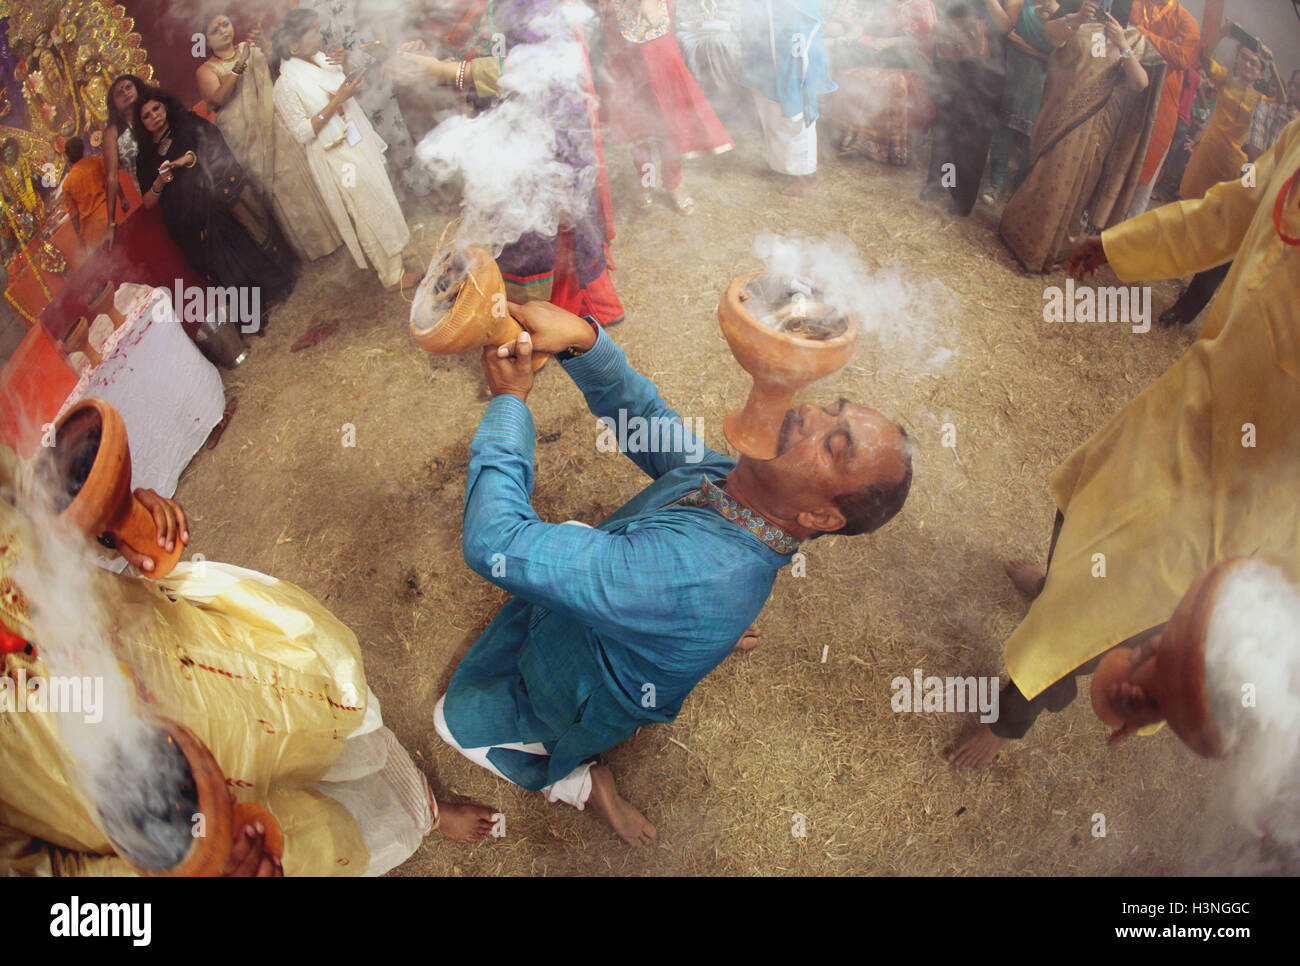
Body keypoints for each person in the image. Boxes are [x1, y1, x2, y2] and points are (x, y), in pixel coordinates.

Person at [435, 301, 913, 844]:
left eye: (834, 445)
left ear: (821, 517)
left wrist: (509, 402)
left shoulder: (692, 575)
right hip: (624, 616)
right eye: (830, 407)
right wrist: (583, 343)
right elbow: (648, 426)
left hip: (577, 683)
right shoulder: (737, 485)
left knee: (452, 723)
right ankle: (692, 640)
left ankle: (583, 782)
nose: (807, 415)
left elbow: (495, 542)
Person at [949, 115, 1300, 766]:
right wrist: (1122, 245)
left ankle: (1006, 725)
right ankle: (1053, 582)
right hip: (1198, 401)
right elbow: (1233, 209)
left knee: (1099, 610)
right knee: (1083, 499)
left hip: (1256, 485)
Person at [0, 438, 498, 876]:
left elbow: (31, 497)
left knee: (330, 727)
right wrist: (186, 866)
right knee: (313, 836)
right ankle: (417, 822)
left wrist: (108, 519)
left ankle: (423, 805)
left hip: (194, 659)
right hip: (165, 820)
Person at [394, 0, 625, 325]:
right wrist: (431, 62)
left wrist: (443, 70)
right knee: (518, 225)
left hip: (544, 131)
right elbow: (488, 49)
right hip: (506, 126)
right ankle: (538, 312)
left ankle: (554, 314)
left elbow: (541, 67)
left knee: (540, 227)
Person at [998, 3, 1161, 272]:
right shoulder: (1078, 9)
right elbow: (1049, 36)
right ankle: (1021, 240)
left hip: (1095, 128)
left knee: (1076, 186)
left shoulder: (1133, 36)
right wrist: (1075, 19)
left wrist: (1122, 45)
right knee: (1046, 176)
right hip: (1060, 115)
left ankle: (1051, 253)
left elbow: (1140, 83)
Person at [271, 9, 420, 293]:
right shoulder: (285, 85)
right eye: (312, 31)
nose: (320, 35)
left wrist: (346, 64)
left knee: (381, 194)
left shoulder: (321, 59)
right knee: (366, 208)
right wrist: (337, 100)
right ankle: (392, 275)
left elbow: (350, 84)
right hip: (336, 153)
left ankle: (399, 247)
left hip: (357, 136)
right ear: (292, 45)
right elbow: (302, 132)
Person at [1160, 3, 1283, 327]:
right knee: (1186, 206)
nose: (1247, 65)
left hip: (1234, 163)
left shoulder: (1262, 100)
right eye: (1244, 59)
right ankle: (1170, 259)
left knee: (1214, 219)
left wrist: (1272, 66)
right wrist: (1223, 35)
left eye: (1253, 64)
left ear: (1259, 72)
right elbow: (1201, 58)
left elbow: (1283, 103)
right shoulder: (1226, 78)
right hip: (1206, 152)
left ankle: (1192, 272)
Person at [133, 86, 298, 326]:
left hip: (214, 202)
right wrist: (160, 181)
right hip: (186, 224)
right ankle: (252, 317)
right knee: (218, 268)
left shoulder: (186, 124)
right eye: (146, 116)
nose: (154, 116)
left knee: (240, 250)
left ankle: (274, 292)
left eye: (156, 108)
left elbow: (215, 148)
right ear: (142, 124)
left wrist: (189, 160)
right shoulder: (145, 157)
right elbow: (148, 201)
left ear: (165, 105)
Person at [197, 11, 342, 262]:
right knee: (278, 188)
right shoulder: (206, 70)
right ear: (206, 41)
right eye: (215, 30)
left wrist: (264, 45)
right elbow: (218, 99)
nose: (223, 30)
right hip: (248, 140)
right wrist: (241, 64)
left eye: (225, 23)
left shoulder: (248, 48)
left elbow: (276, 65)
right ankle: (312, 247)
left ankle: (335, 232)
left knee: (300, 173)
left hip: (273, 125)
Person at [302, 0, 441, 209]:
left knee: (396, 133)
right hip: (337, 78)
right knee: (365, 141)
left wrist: (386, 56)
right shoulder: (305, 4)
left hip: (370, 67)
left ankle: (423, 187)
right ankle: (394, 199)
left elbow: (378, 20)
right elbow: (303, 41)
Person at [599, 0, 734, 215]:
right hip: (621, 31)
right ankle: (647, 181)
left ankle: (673, 183)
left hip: (655, 28)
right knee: (636, 119)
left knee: (668, 116)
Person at [823, 0, 937, 168]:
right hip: (879, 52)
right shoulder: (882, 3)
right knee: (846, 66)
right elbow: (867, 27)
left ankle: (888, 148)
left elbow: (927, 39)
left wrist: (891, 42)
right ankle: (853, 141)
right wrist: (861, 38)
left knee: (891, 81)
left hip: (910, 57)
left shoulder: (922, 4)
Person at [738, 0, 836, 195]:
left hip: (792, 38)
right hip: (766, 38)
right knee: (770, 109)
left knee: (795, 109)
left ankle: (806, 176)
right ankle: (783, 166)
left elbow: (804, 14)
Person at [920, 0, 1004, 216]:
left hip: (984, 69)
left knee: (973, 135)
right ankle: (943, 183)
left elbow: (1006, 25)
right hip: (951, 56)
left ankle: (961, 198)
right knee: (946, 128)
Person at [1123, 0, 1199, 217]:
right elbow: (1124, 29)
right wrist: (1167, 44)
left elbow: (1183, 57)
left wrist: (1143, 34)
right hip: (1126, 92)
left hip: (1161, 108)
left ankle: (1125, 237)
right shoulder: (1137, 4)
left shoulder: (1187, 22)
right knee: (1111, 162)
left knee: (1142, 183)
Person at [984, 0, 1053, 202]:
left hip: (1041, 84)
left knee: (1031, 141)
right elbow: (1007, 33)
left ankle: (1018, 193)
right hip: (1013, 75)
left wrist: (1024, 45)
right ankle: (995, 184)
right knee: (1003, 131)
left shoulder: (1060, 13)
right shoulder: (1021, 4)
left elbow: (1058, 56)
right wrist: (1039, 53)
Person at [102, 74, 147, 251]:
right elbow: (112, 177)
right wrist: (111, 224)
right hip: (152, 193)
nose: (126, 92)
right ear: (114, 104)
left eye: (128, 87)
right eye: (119, 93)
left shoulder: (154, 109)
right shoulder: (112, 133)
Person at [58, 137, 111, 251]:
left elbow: (74, 215)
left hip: (93, 230)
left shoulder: (67, 184)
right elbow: (112, 181)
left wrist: (79, 238)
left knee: (110, 261)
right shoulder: (96, 161)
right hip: (110, 213)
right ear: (82, 149)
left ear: (67, 157)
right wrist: (122, 198)